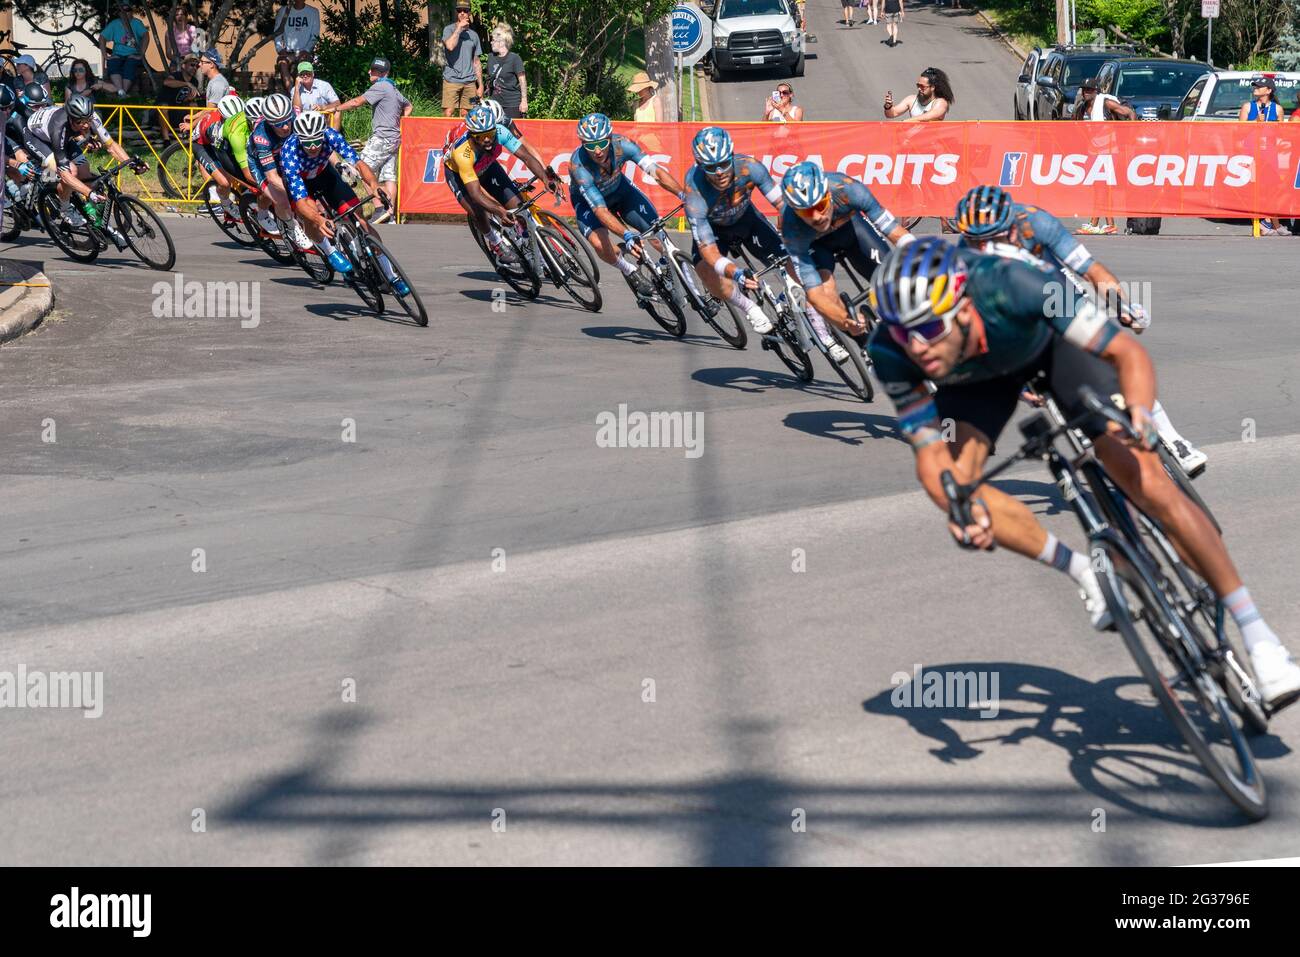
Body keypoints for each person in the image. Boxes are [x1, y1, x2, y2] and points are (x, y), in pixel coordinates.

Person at [865, 236, 1300, 710]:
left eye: (928, 326)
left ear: (964, 305)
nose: (917, 345)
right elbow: (930, 456)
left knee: (1144, 478)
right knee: (956, 489)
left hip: (1049, 348)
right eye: (903, 332)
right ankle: (1082, 572)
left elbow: (1126, 355)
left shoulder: (1019, 285)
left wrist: (1136, 413)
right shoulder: (891, 351)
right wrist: (957, 506)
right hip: (974, 386)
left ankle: (1262, 641)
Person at [953, 184, 1209, 477]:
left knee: (1110, 357)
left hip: (1055, 291)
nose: (985, 249)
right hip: (1013, 308)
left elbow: (1088, 269)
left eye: (992, 238)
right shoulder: (965, 255)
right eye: (976, 241)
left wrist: (1122, 304)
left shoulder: (1036, 222)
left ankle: (1175, 441)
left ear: (1011, 226)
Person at [778, 161, 912, 348]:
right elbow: (815, 296)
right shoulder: (790, 228)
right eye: (806, 211)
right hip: (816, 245)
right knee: (826, 290)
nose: (816, 216)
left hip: (851, 230)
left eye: (821, 205)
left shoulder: (849, 189)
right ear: (794, 209)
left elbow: (895, 233)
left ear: (828, 195)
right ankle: (865, 344)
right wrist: (845, 321)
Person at [682, 126, 794, 339]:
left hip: (747, 220)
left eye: (724, 164)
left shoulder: (750, 167)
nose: (719, 172)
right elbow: (708, 251)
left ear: (732, 155)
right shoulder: (694, 191)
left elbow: (783, 203)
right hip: (713, 230)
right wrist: (736, 273)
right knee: (706, 272)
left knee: (794, 264)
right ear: (700, 164)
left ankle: (810, 321)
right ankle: (749, 307)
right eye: (711, 167)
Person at [276, 110, 404, 283]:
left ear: (322, 135)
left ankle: (391, 275)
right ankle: (330, 251)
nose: (312, 146)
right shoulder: (289, 153)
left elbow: (358, 163)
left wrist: (374, 186)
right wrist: (319, 220)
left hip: (324, 173)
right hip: (303, 183)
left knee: (358, 218)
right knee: (312, 218)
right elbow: (300, 202)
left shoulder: (330, 135)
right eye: (307, 143)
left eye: (316, 141)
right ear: (299, 139)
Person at [569, 111, 684, 299]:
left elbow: (656, 172)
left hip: (620, 191)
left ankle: (671, 272)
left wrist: (683, 194)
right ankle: (630, 270)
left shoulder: (623, 145)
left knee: (657, 234)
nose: (597, 150)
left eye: (602, 143)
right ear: (583, 144)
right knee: (601, 246)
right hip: (590, 205)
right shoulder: (578, 166)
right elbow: (600, 210)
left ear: (609, 138)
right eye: (591, 145)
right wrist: (627, 234)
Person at [443, 103, 561, 264]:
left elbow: (526, 157)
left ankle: (528, 245)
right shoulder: (463, 154)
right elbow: (476, 194)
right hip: (458, 174)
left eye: (490, 134)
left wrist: (545, 178)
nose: (486, 139)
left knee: (519, 207)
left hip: (487, 165)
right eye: (480, 136)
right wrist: (499, 211)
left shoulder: (501, 132)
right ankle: (495, 242)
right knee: (477, 210)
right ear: (472, 136)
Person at [23, 92, 145, 244]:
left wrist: (131, 163)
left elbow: (111, 145)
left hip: (63, 137)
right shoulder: (58, 127)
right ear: (71, 118)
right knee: (70, 171)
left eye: (87, 120)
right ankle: (66, 209)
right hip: (37, 138)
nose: (86, 125)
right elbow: (66, 173)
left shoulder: (90, 116)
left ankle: (91, 216)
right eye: (80, 122)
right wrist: (89, 193)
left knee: (84, 168)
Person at [322, 57, 411, 224]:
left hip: (382, 137)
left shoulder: (382, 86)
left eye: (374, 70)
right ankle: (389, 215)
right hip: (394, 138)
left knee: (362, 169)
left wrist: (334, 108)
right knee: (388, 176)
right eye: (371, 69)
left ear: (384, 73)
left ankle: (380, 209)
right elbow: (408, 106)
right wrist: (401, 123)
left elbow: (357, 102)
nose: (370, 72)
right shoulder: (393, 88)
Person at [246, 91, 315, 251]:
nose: (285, 127)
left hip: (284, 154)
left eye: (287, 121)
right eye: (278, 124)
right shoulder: (261, 135)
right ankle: (289, 226)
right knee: (281, 199)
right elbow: (272, 176)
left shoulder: (296, 116)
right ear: (269, 122)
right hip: (260, 163)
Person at [1073, 77, 1134, 236]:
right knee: (1101, 188)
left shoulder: (1105, 103)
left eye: (1089, 90)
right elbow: (1075, 128)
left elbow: (1129, 112)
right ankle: (1110, 225)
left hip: (1108, 152)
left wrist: (1131, 134)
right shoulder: (1082, 109)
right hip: (1094, 152)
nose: (1085, 92)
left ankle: (1094, 223)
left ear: (1095, 91)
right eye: (1083, 90)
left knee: (1100, 187)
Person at [1239, 78, 1287, 235]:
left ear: (1269, 91)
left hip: (1270, 154)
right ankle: (1263, 223)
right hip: (1251, 153)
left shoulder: (1277, 109)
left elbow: (1282, 133)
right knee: (1255, 189)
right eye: (1255, 86)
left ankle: (1273, 223)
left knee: (1272, 189)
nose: (1256, 88)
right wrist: (1255, 122)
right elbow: (1238, 130)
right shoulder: (1248, 106)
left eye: (1259, 86)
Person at [442, 1, 483, 117]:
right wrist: (459, 29)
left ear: (469, 13)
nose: (462, 13)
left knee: (468, 115)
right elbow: (450, 46)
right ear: (456, 13)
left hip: (469, 82)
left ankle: (464, 136)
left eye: (465, 11)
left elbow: (476, 61)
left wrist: (480, 85)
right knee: (448, 113)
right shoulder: (449, 30)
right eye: (459, 11)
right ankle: (448, 135)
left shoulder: (473, 35)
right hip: (451, 80)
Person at [99, 1, 150, 96]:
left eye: (127, 10)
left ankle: (123, 93)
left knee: (130, 63)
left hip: (133, 53)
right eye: (122, 10)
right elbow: (102, 38)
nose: (125, 12)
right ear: (119, 13)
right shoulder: (114, 24)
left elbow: (146, 36)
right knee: (113, 62)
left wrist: (141, 53)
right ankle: (121, 92)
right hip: (118, 54)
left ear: (131, 11)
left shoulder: (137, 23)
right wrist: (105, 55)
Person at [274, 0, 321, 91]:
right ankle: (292, 93)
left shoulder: (313, 12)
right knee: (282, 64)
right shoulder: (283, 11)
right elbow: (277, 32)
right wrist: (280, 49)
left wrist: (307, 50)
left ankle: (301, 95)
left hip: (304, 52)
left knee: (303, 65)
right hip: (288, 53)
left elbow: (315, 35)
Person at [486, 22, 527, 119]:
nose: (491, 42)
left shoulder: (515, 58)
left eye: (493, 40)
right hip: (495, 104)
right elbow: (489, 79)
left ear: (501, 42)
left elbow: (522, 81)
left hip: (512, 104)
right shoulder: (491, 57)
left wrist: (524, 101)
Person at [883, 67, 953, 122]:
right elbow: (892, 114)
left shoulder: (940, 102)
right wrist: (888, 107)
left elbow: (928, 116)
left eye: (922, 86)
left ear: (932, 87)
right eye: (918, 85)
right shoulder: (911, 99)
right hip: (912, 139)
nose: (919, 88)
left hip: (931, 140)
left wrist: (905, 122)